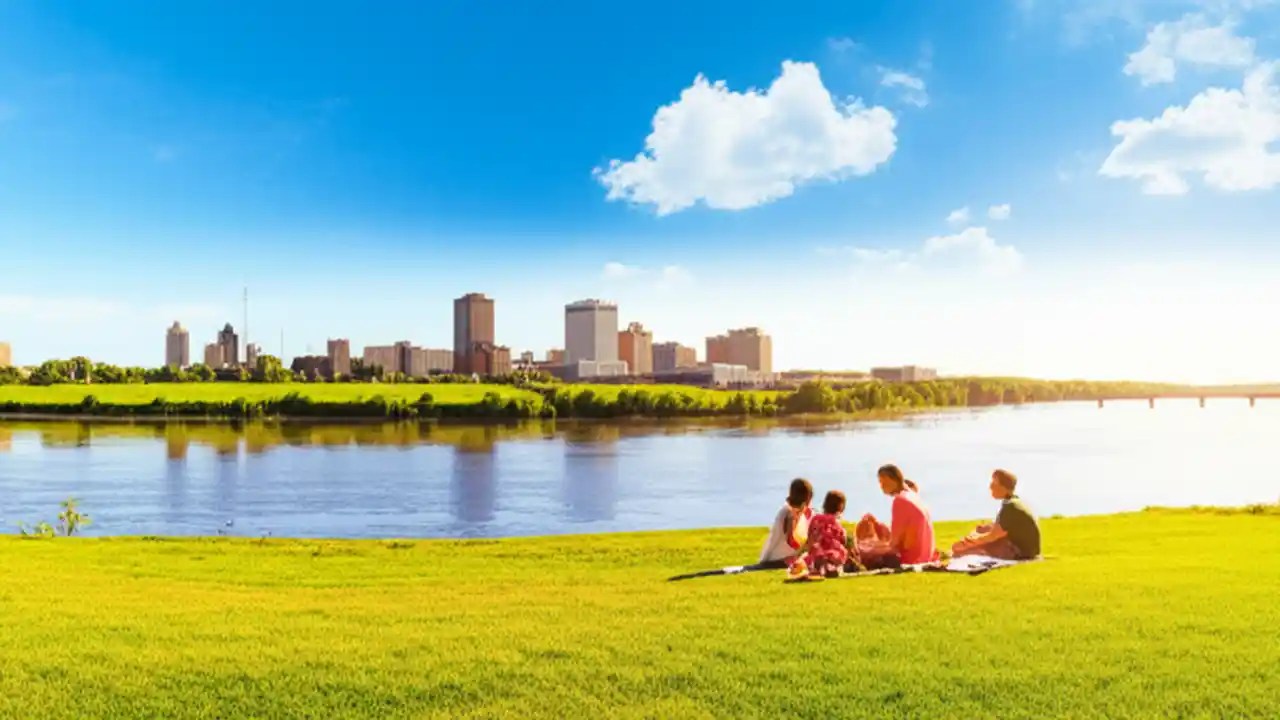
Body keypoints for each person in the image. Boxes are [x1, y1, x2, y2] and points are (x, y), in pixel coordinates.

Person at [858, 464, 938, 567]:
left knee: (864, 551)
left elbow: (894, 543)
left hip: (911, 559)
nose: (881, 486)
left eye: (883, 482)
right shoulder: (913, 496)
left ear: (893, 480)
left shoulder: (900, 501)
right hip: (925, 556)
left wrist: (868, 548)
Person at [952, 469, 1041, 560]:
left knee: (963, 552)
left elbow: (993, 536)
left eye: (994, 483)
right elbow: (999, 528)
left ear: (1003, 487)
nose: (990, 487)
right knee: (982, 530)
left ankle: (956, 553)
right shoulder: (1014, 502)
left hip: (1019, 552)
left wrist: (967, 543)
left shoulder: (1010, 506)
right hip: (1023, 548)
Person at [759, 478, 813, 566]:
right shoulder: (790, 514)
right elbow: (791, 540)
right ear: (808, 498)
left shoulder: (791, 510)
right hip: (778, 559)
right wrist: (804, 549)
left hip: (777, 557)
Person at [802, 491, 849, 578]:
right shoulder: (836, 522)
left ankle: (820, 566)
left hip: (815, 554)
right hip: (832, 555)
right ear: (841, 507)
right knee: (840, 554)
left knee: (811, 557)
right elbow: (843, 540)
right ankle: (829, 567)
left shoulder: (815, 519)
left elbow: (809, 538)